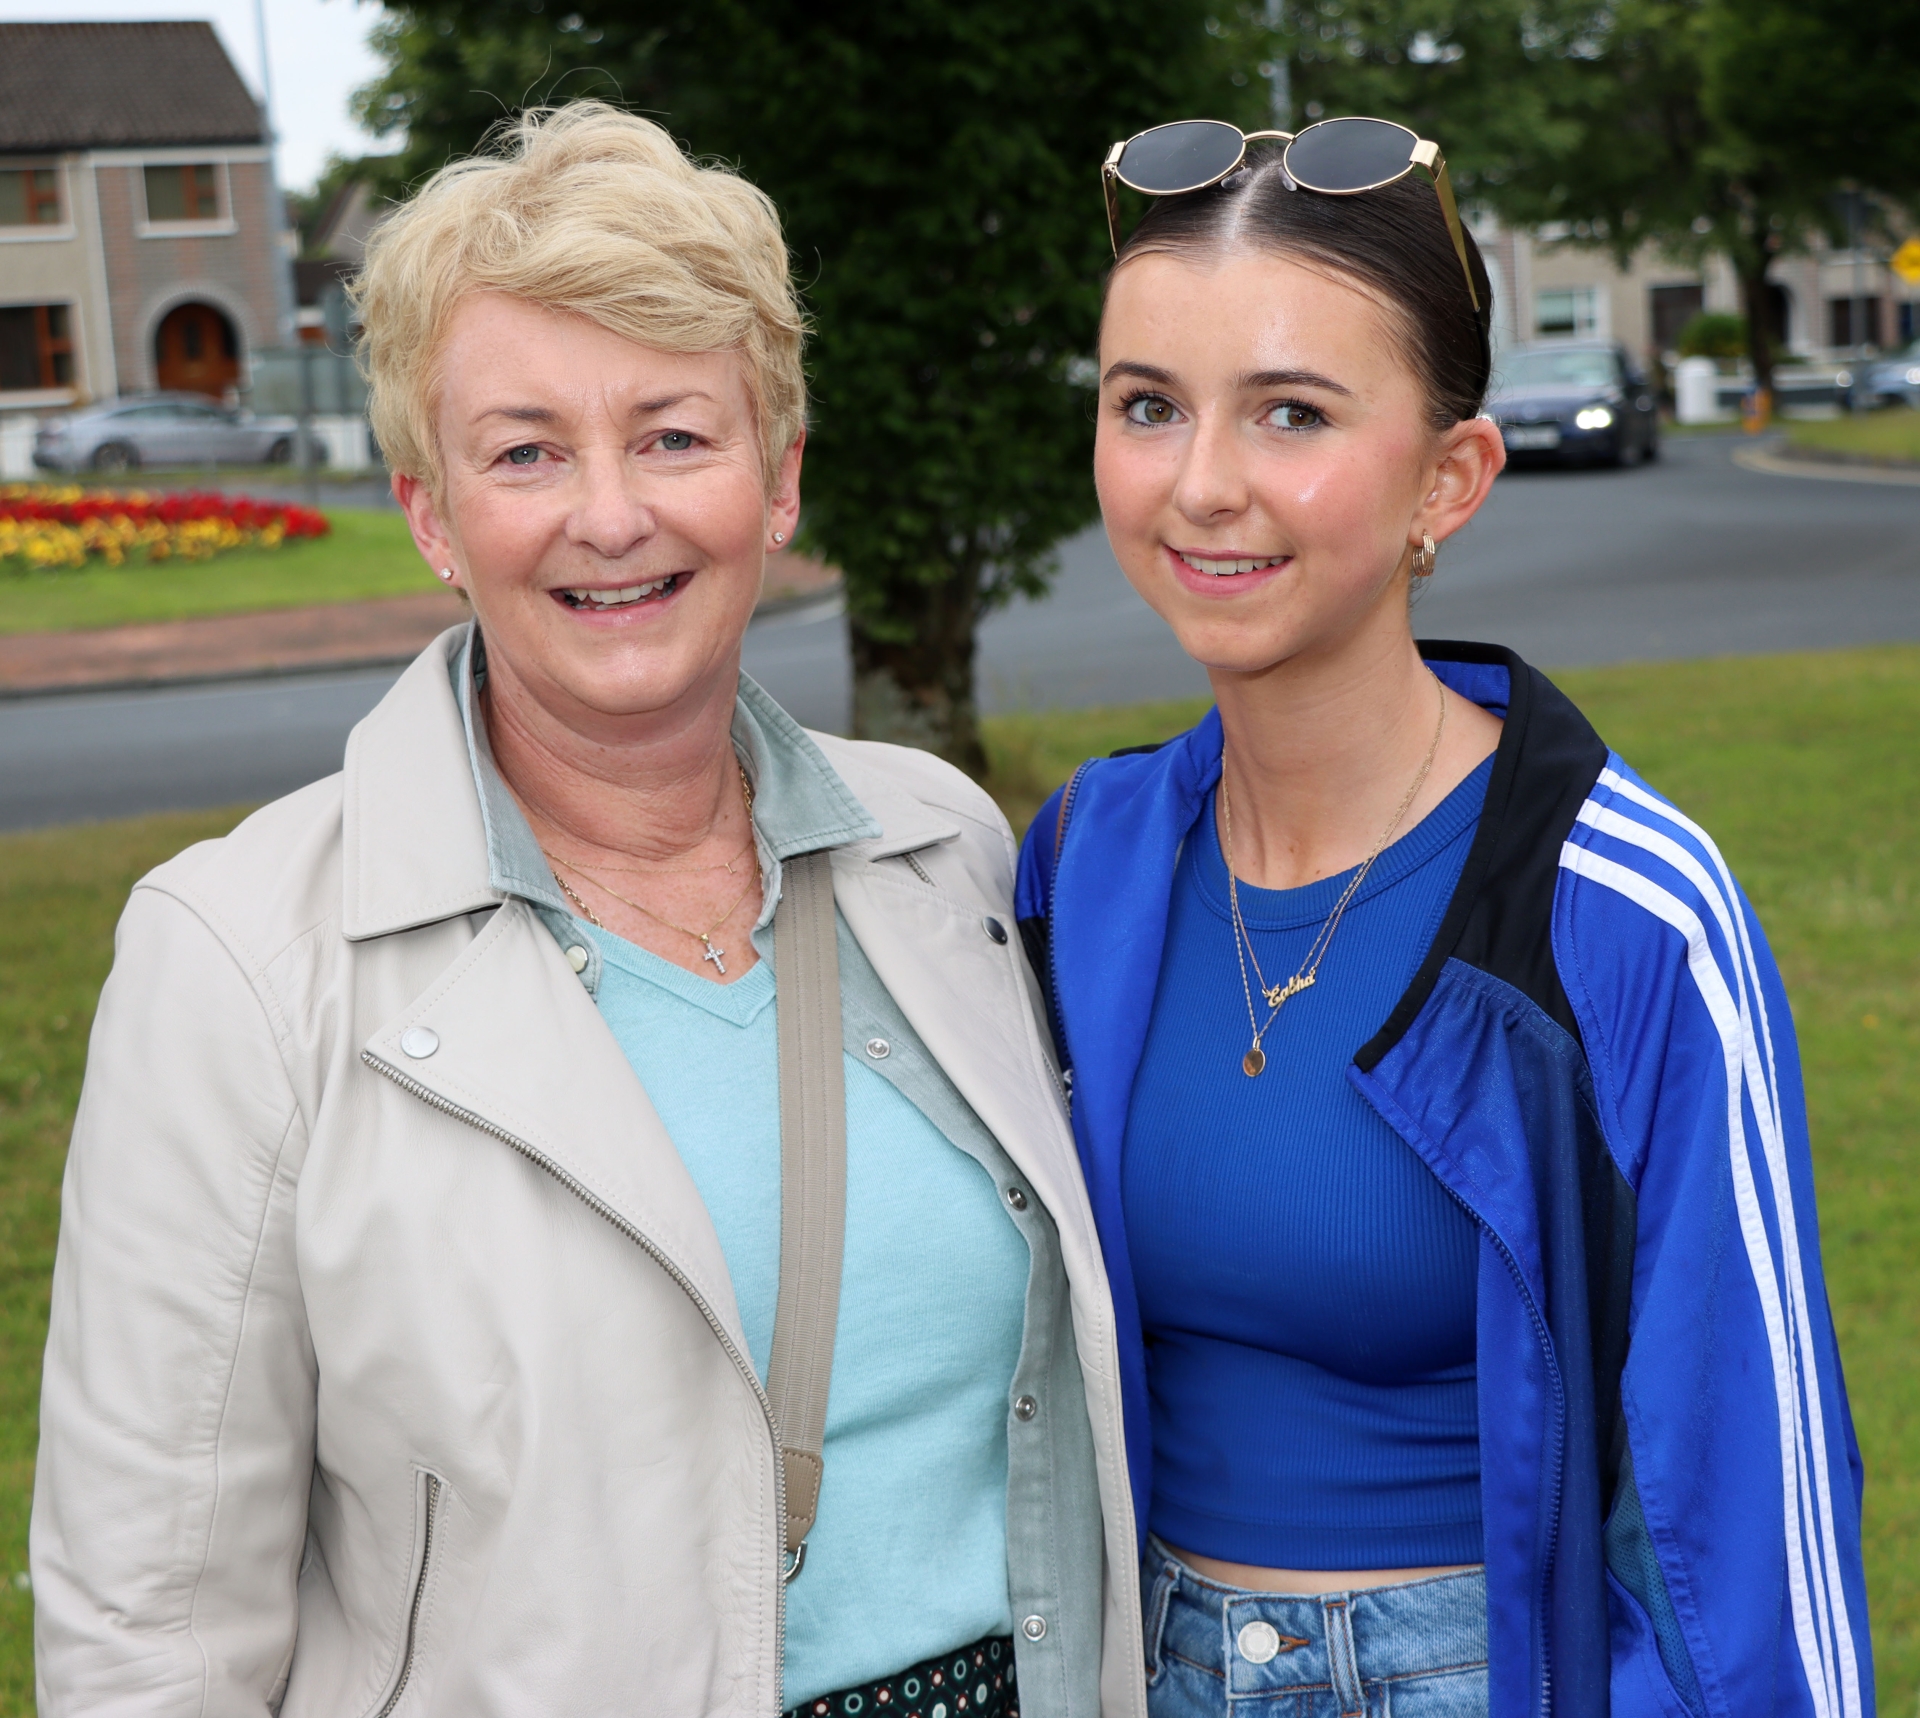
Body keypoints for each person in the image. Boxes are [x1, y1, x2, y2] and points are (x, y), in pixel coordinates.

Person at [32, 103, 1148, 1718]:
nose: (609, 514)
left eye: (676, 434)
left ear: (778, 480)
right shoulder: (238, 962)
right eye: (526, 449)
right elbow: (147, 1635)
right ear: (431, 511)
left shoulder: (944, 850)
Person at [1017, 118, 1872, 1718]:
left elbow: (1746, 1533)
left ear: (1448, 478)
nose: (1202, 484)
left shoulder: (1627, 913)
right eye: (1148, 407)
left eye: (1292, 413)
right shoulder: (1084, 862)